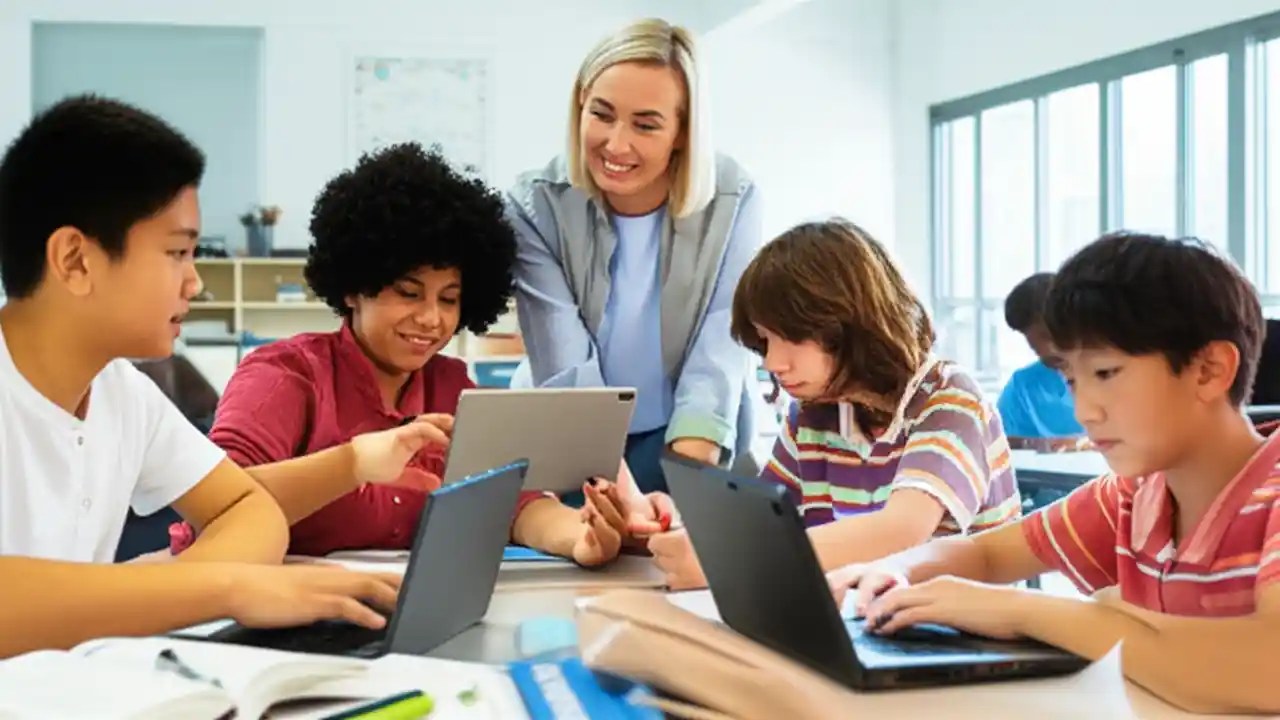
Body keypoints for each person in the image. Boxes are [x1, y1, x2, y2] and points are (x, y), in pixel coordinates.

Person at [0, 95, 400, 658]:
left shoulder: (125, 393)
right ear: (75, 260)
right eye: (177, 253)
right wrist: (223, 589)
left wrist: (171, 592)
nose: (194, 283)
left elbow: (249, 509)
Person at [829, 233, 1280, 715]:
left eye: (1106, 374)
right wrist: (896, 570)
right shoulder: (1133, 496)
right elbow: (986, 554)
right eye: (1071, 380)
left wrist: (1018, 611)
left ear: (1209, 370)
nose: (1084, 411)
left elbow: (1267, 667)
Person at [169, 143, 625, 566]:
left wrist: (579, 536)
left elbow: (512, 502)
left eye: (449, 299)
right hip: (269, 604)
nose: (431, 318)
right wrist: (351, 465)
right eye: (409, 293)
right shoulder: (286, 375)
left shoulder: (452, 389)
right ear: (353, 289)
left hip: (394, 605)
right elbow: (216, 503)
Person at [639, 219, 1022, 589]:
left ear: (850, 322)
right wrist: (679, 524)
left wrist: (733, 560)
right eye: (766, 341)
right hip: (872, 618)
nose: (772, 362)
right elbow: (762, 524)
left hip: (969, 628)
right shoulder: (812, 416)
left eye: (791, 337)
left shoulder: (949, 399)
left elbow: (902, 530)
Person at [506, 18, 765, 495]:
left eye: (646, 125)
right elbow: (563, 357)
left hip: (688, 436)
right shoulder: (535, 203)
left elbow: (721, 345)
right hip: (570, 431)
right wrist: (618, 493)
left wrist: (687, 486)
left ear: (683, 131)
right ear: (581, 103)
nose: (616, 144)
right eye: (602, 115)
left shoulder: (734, 197)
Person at [997, 272, 1086, 451]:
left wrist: (1083, 444)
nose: (1048, 349)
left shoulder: (1117, 376)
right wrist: (1037, 444)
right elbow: (995, 443)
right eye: (1035, 341)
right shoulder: (1022, 387)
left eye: (1049, 334)